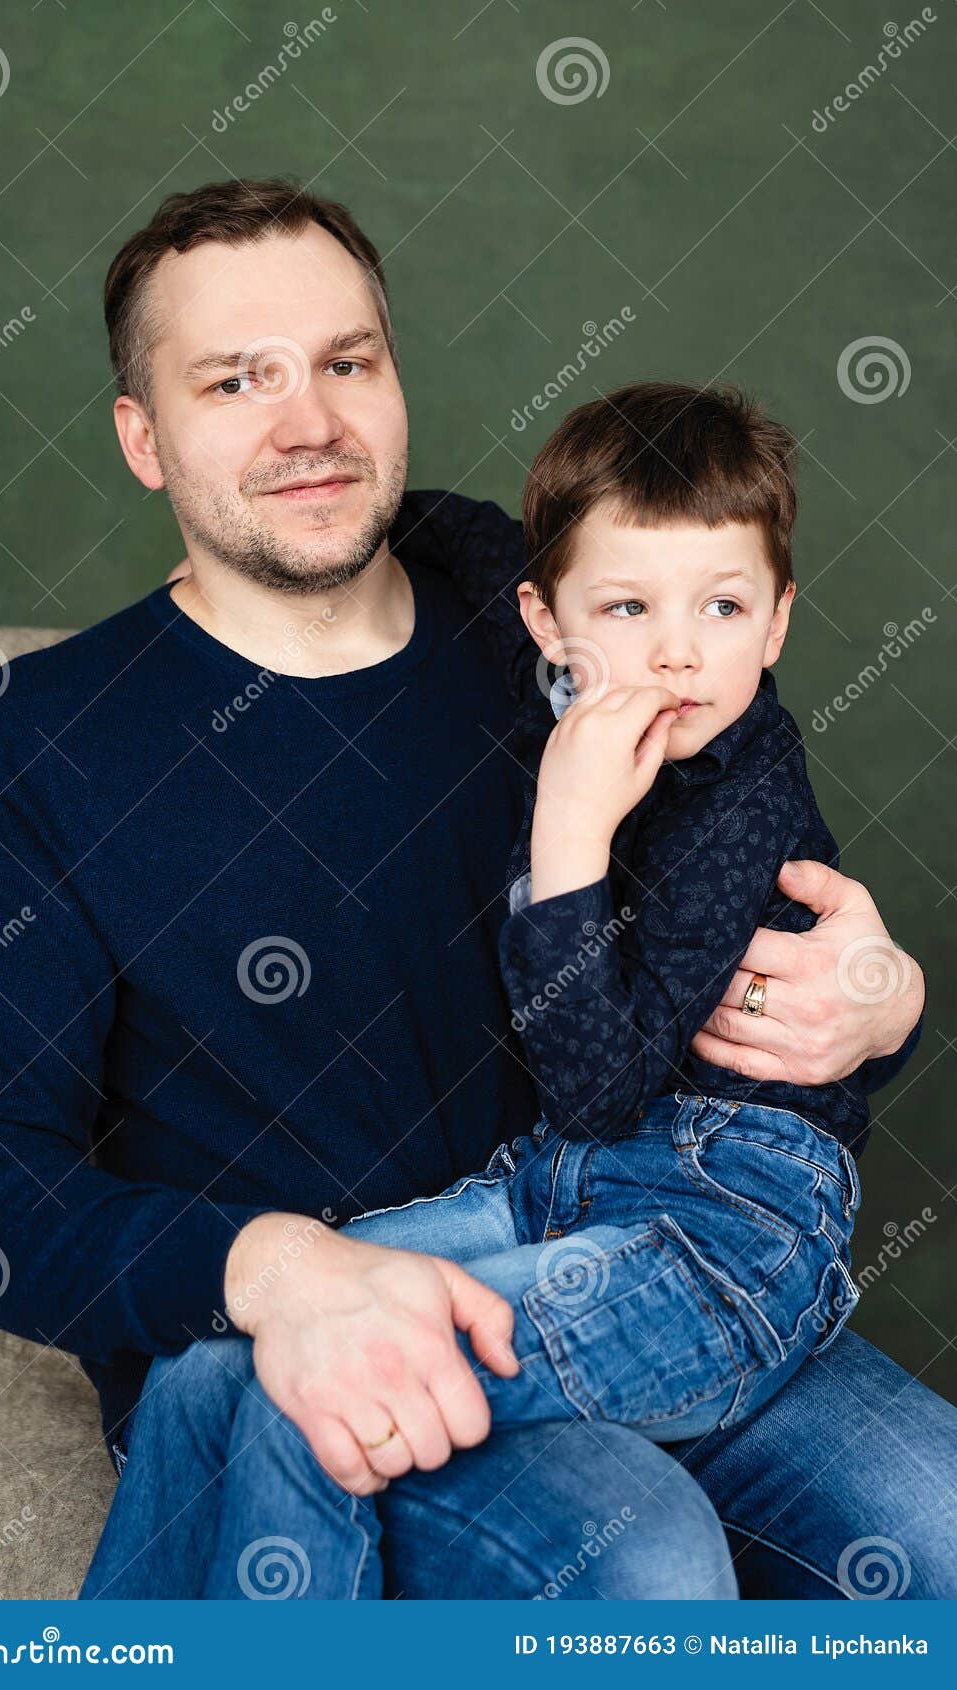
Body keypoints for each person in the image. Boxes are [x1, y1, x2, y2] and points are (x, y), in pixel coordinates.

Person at [0, 179, 948, 1602]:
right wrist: (270, 1270)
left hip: (634, 1248)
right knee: (639, 1561)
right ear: (143, 440)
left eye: (345, 362)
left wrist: (875, 994)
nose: (308, 425)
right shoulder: (48, 736)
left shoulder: (549, 608)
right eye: (234, 380)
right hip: (326, 1338)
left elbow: (733, 857)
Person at [152, 380, 907, 1598]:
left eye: (723, 606)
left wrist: (569, 841)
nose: (675, 650)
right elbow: (444, 522)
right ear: (543, 619)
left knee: (339, 1381)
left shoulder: (743, 800)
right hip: (559, 1190)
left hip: (725, 1233)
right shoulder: (532, 644)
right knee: (244, 1332)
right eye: (625, 605)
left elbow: (601, 1087)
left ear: (774, 624)